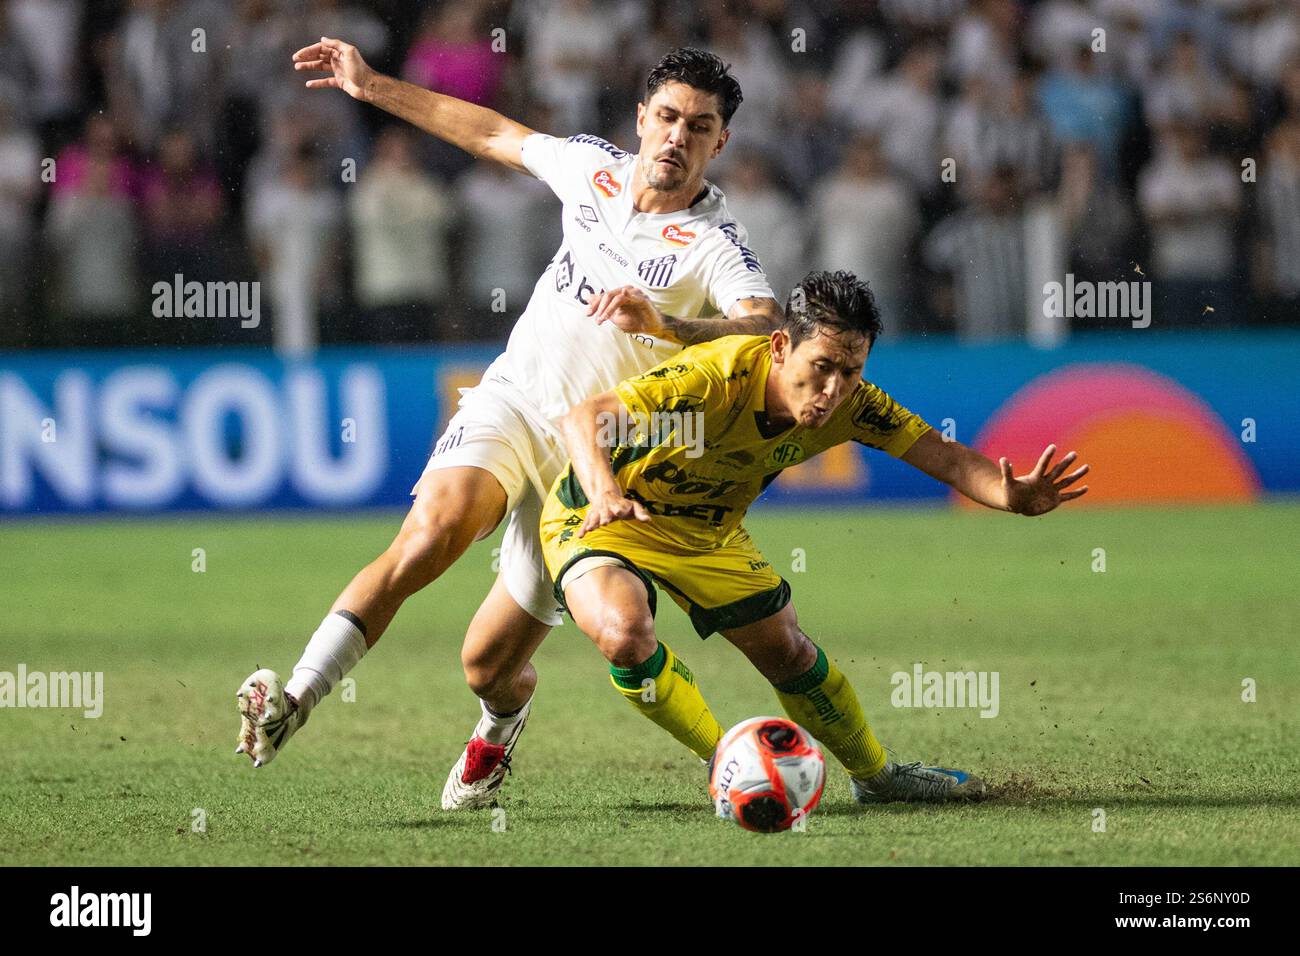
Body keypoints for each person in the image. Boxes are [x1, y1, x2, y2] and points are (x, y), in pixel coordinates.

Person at [235, 41, 785, 813]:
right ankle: (294, 697)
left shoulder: (715, 243)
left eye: (699, 127)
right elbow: (490, 133)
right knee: (431, 532)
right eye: (666, 117)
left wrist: (666, 324)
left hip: (593, 465)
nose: (676, 137)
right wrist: (371, 86)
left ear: (719, 141)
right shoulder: (592, 168)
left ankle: (500, 723)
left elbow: (763, 332)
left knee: (486, 666)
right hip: (516, 400)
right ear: (641, 118)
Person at [538, 270, 1090, 802]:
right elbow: (584, 417)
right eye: (821, 366)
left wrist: (1007, 494)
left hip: (709, 534)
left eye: (850, 371)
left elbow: (942, 456)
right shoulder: (716, 375)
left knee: (790, 654)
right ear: (779, 347)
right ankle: (728, 760)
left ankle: (878, 777)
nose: (832, 390)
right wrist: (606, 490)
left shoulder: (857, 406)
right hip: (604, 516)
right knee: (624, 631)